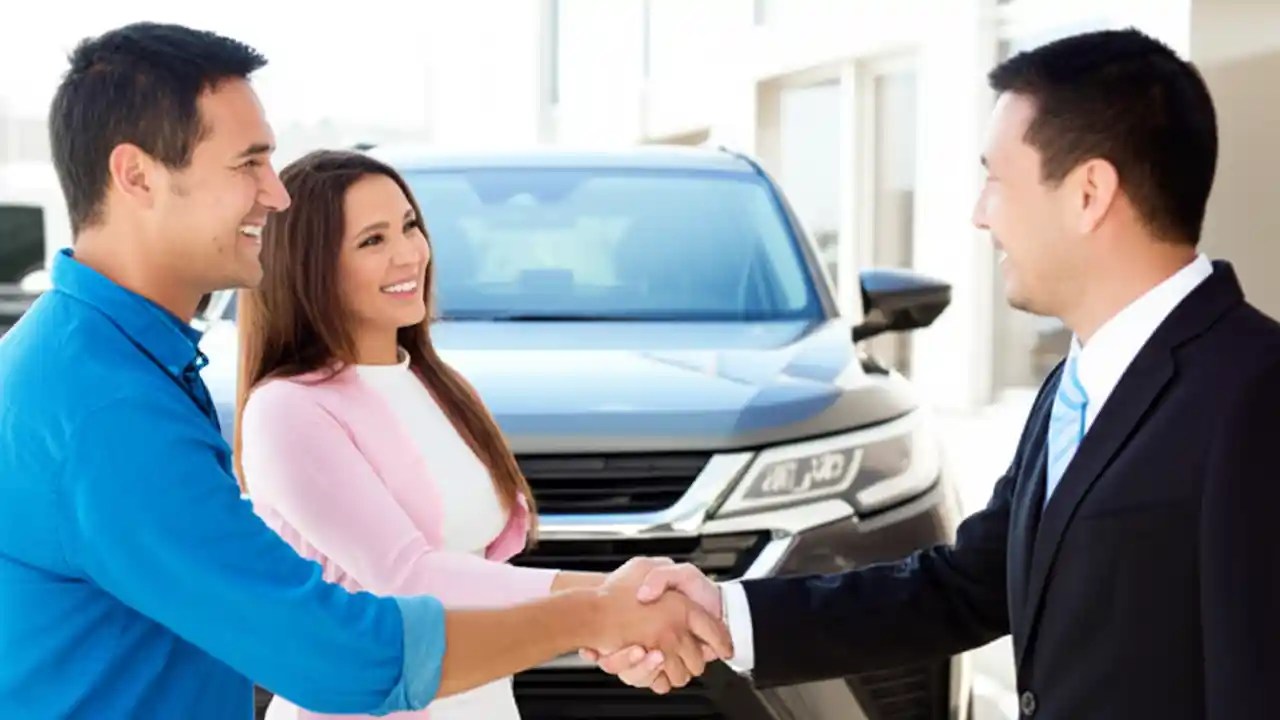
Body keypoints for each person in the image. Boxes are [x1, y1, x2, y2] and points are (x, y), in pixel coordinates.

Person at [0, 22, 729, 720]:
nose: (276, 193)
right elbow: (336, 652)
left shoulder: (108, 361)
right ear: (137, 176)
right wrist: (593, 613)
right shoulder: (103, 407)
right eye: (247, 163)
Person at [589, 27, 1280, 719]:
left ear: (1089, 193)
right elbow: (970, 585)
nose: (981, 216)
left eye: (996, 180)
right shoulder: (1080, 383)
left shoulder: (1255, 392)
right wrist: (725, 614)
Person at [234, 149, 713, 720]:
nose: (409, 254)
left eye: (410, 226)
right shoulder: (288, 411)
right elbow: (410, 576)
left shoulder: (441, 387)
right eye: (373, 241)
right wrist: (608, 603)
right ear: (309, 267)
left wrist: (622, 602)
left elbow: (482, 573)